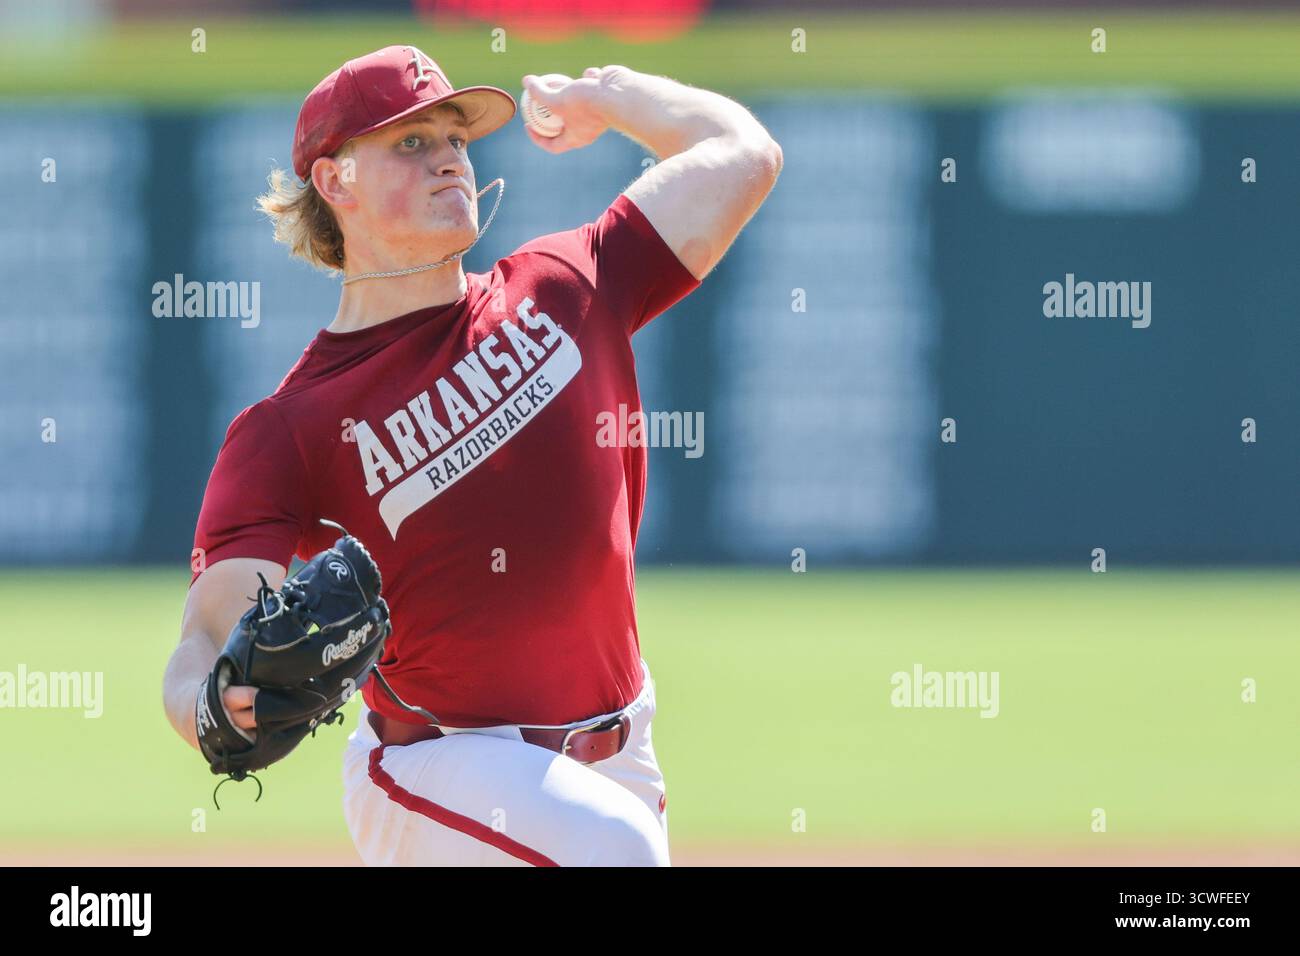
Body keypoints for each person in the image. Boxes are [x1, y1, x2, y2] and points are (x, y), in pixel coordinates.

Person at [161, 44, 782, 866]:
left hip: (622, 751)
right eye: (411, 143)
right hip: (435, 767)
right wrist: (208, 703)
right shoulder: (291, 428)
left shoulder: (567, 284)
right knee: (618, 852)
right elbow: (209, 636)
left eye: (455, 137)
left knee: (618, 840)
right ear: (335, 182)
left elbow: (745, 156)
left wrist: (611, 93)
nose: (449, 158)